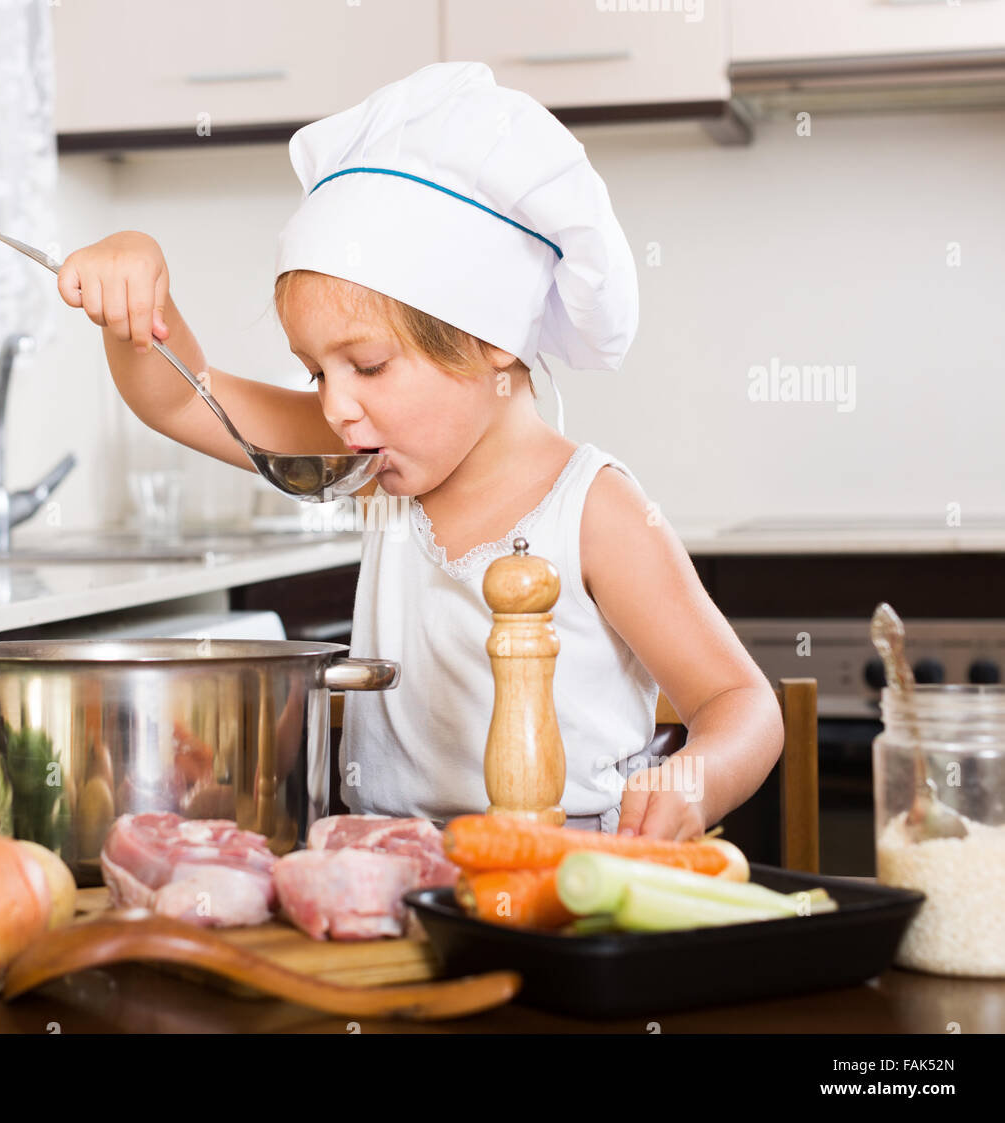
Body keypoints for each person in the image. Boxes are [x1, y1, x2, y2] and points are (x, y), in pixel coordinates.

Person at [55, 62, 783, 841]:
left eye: (367, 365)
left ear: (489, 341)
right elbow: (179, 397)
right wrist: (138, 293)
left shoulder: (595, 510)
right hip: (388, 871)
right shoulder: (375, 468)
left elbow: (742, 704)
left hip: (565, 876)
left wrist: (692, 782)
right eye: (315, 371)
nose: (335, 405)